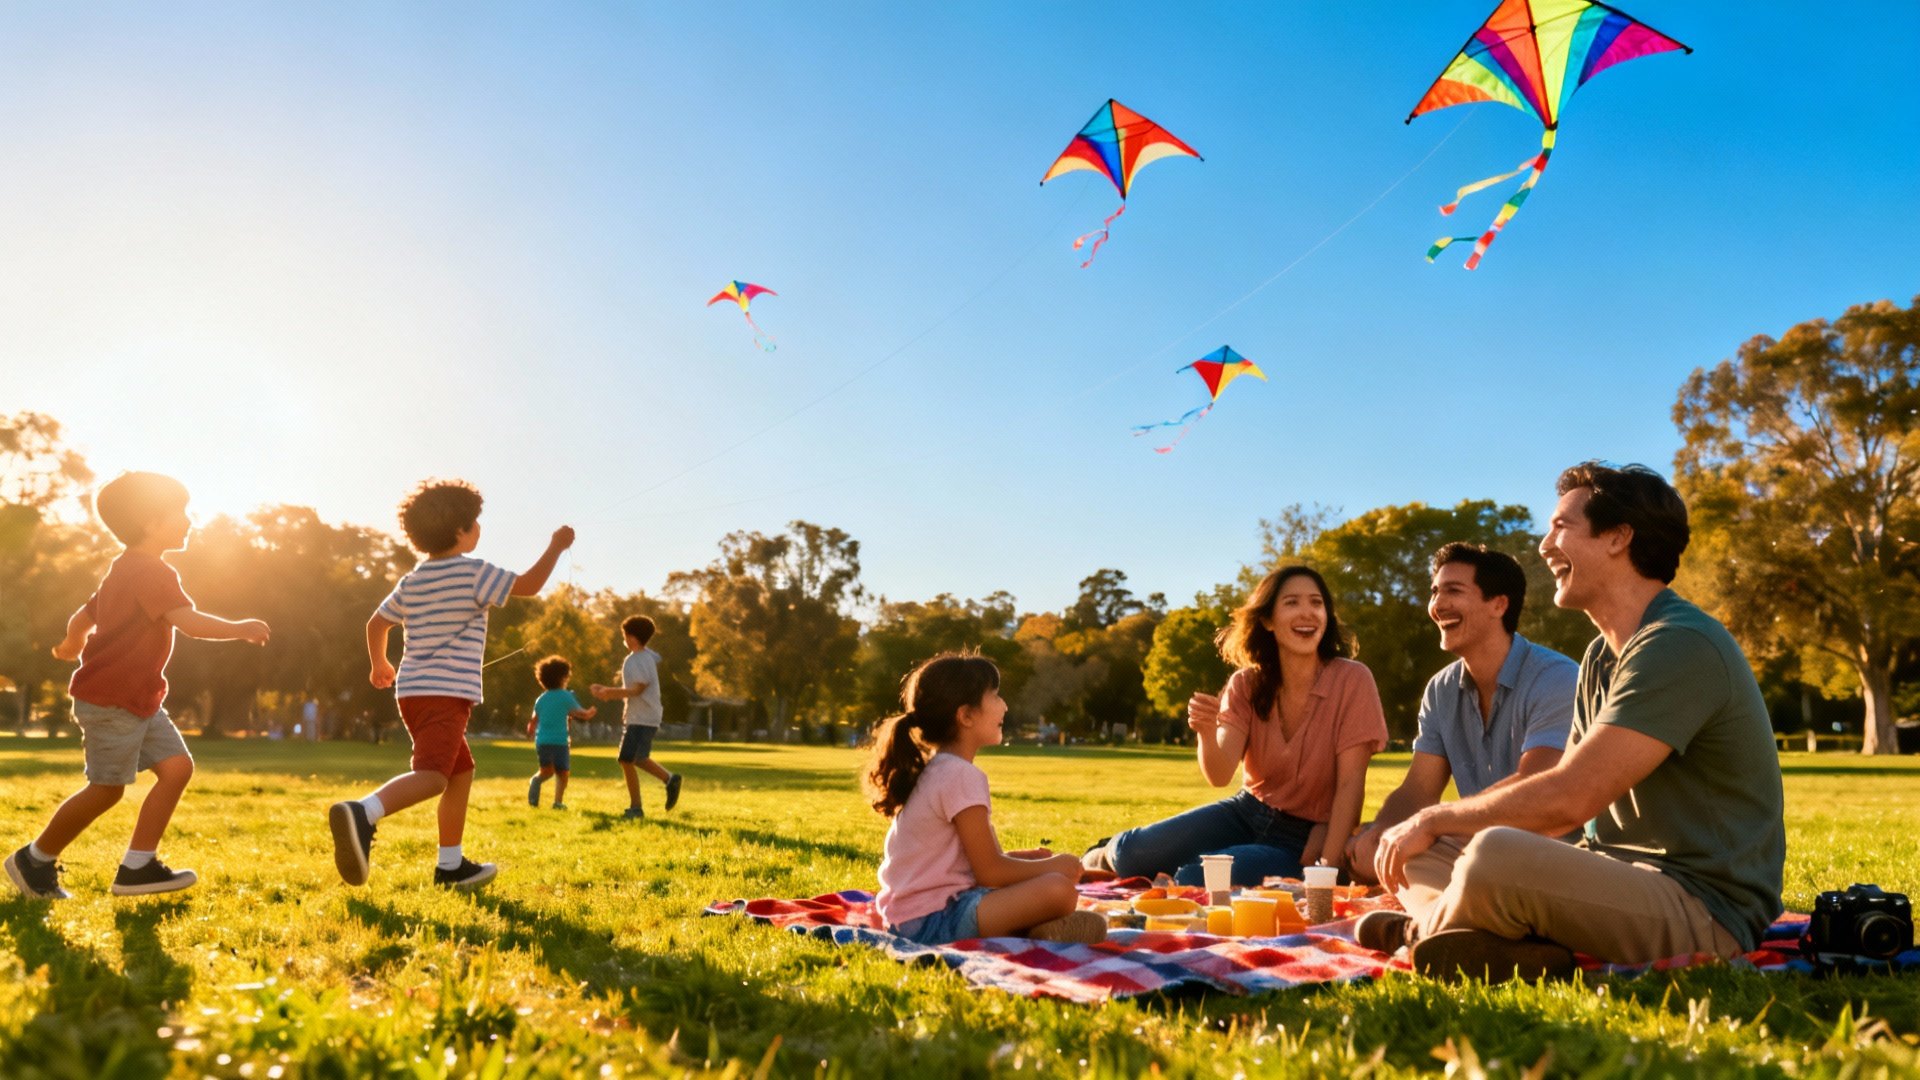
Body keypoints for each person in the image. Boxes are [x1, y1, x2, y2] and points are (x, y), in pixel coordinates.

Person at [1364, 462, 1786, 982]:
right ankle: (1481, 941)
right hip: (1614, 877)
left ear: (1618, 537)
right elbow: (1570, 821)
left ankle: (1422, 932)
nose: (1544, 546)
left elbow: (1570, 797)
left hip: (1703, 908)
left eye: (1562, 526)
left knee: (1491, 851)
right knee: (1422, 851)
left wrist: (1432, 817)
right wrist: (1425, 829)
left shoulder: (1680, 643)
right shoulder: (1600, 657)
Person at [4, 472, 271, 899]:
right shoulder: (151, 572)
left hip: (139, 699)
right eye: (179, 513)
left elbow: (82, 617)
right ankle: (33, 860)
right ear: (150, 522)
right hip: (112, 700)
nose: (188, 521)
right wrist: (239, 627)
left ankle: (138, 866)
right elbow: (189, 623)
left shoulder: (123, 569)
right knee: (106, 790)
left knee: (177, 768)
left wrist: (72, 644)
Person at [327, 479, 574, 891]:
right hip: (445, 694)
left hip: (412, 692)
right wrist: (556, 546)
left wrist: (379, 664)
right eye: (475, 522)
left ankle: (450, 866)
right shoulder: (474, 572)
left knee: (460, 773)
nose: (479, 528)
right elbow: (529, 586)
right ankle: (362, 812)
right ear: (461, 530)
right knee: (434, 776)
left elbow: (377, 622)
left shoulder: (413, 580)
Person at [1098, 566, 1388, 888]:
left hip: (1302, 839)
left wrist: (1326, 871)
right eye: (1291, 602)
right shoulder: (1246, 683)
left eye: (1316, 603)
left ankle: (1183, 870)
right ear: (1267, 620)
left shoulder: (1352, 680)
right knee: (1129, 854)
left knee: (1197, 878)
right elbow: (1220, 774)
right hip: (1245, 811)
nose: (1307, 613)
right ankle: (1102, 854)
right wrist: (1206, 732)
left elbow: (1351, 785)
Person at [1344, 543, 1577, 885]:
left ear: (1499, 604)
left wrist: (1431, 823)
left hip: (1555, 852)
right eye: (1435, 591)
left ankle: (1436, 918)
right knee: (1388, 851)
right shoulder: (1441, 689)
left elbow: (1537, 784)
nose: (1437, 605)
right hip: (1472, 845)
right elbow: (1418, 790)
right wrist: (1380, 834)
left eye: (1453, 590)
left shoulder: (1555, 677)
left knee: (1430, 857)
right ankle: (1437, 918)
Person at [866, 653, 1105, 945]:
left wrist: (1025, 858)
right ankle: (1032, 930)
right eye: (995, 696)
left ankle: (1034, 929)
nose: (1004, 705)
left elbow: (968, 863)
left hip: (916, 918)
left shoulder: (939, 769)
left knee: (1047, 884)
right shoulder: (960, 775)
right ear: (965, 715)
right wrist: (1054, 866)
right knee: (1059, 889)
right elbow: (990, 873)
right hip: (936, 921)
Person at [591, 616, 681, 819]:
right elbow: (637, 687)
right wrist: (611, 694)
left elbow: (637, 689)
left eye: (625, 635)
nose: (624, 638)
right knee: (637, 758)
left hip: (642, 717)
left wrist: (609, 692)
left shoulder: (637, 659)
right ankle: (669, 780)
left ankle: (636, 808)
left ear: (632, 637)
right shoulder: (645, 657)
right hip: (643, 716)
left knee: (626, 759)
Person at [527, 655, 595, 810]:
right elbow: (580, 713)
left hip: (542, 741)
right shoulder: (566, 696)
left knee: (546, 771)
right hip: (560, 742)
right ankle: (557, 802)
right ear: (563, 678)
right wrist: (590, 712)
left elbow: (533, 720)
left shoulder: (541, 699)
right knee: (562, 773)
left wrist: (531, 731)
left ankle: (536, 782)